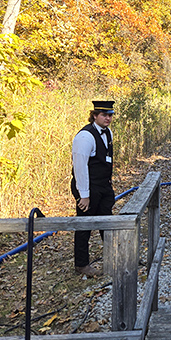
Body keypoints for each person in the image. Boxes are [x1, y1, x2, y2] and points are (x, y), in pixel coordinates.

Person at [71, 100, 116, 277]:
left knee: (107, 221)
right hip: (87, 187)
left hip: (103, 186)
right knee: (84, 225)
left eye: (110, 115)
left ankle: (113, 257)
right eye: (104, 115)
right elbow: (79, 168)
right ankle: (81, 265)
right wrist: (84, 195)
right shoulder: (85, 137)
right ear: (95, 115)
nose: (108, 118)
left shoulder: (108, 132)